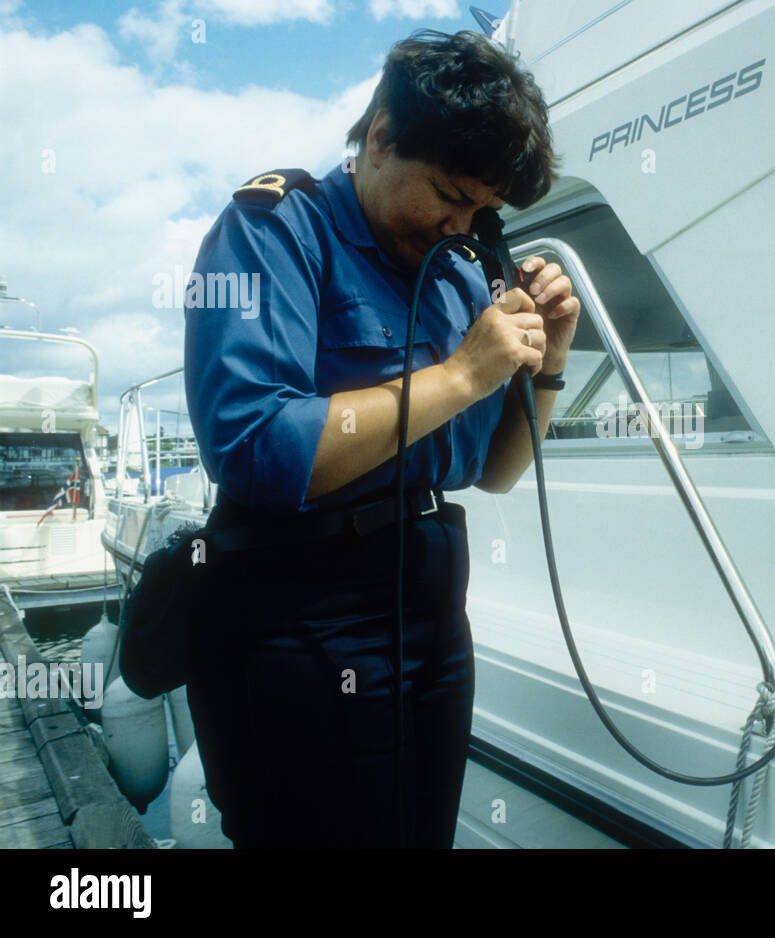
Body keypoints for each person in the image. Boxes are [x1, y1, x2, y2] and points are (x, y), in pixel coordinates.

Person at [182, 29, 579, 848]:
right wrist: (464, 376)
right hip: (299, 613)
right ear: (380, 136)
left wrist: (550, 362)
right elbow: (253, 444)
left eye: (479, 212)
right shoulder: (276, 229)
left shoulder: (462, 274)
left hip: (433, 612)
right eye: (446, 193)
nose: (457, 227)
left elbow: (495, 471)